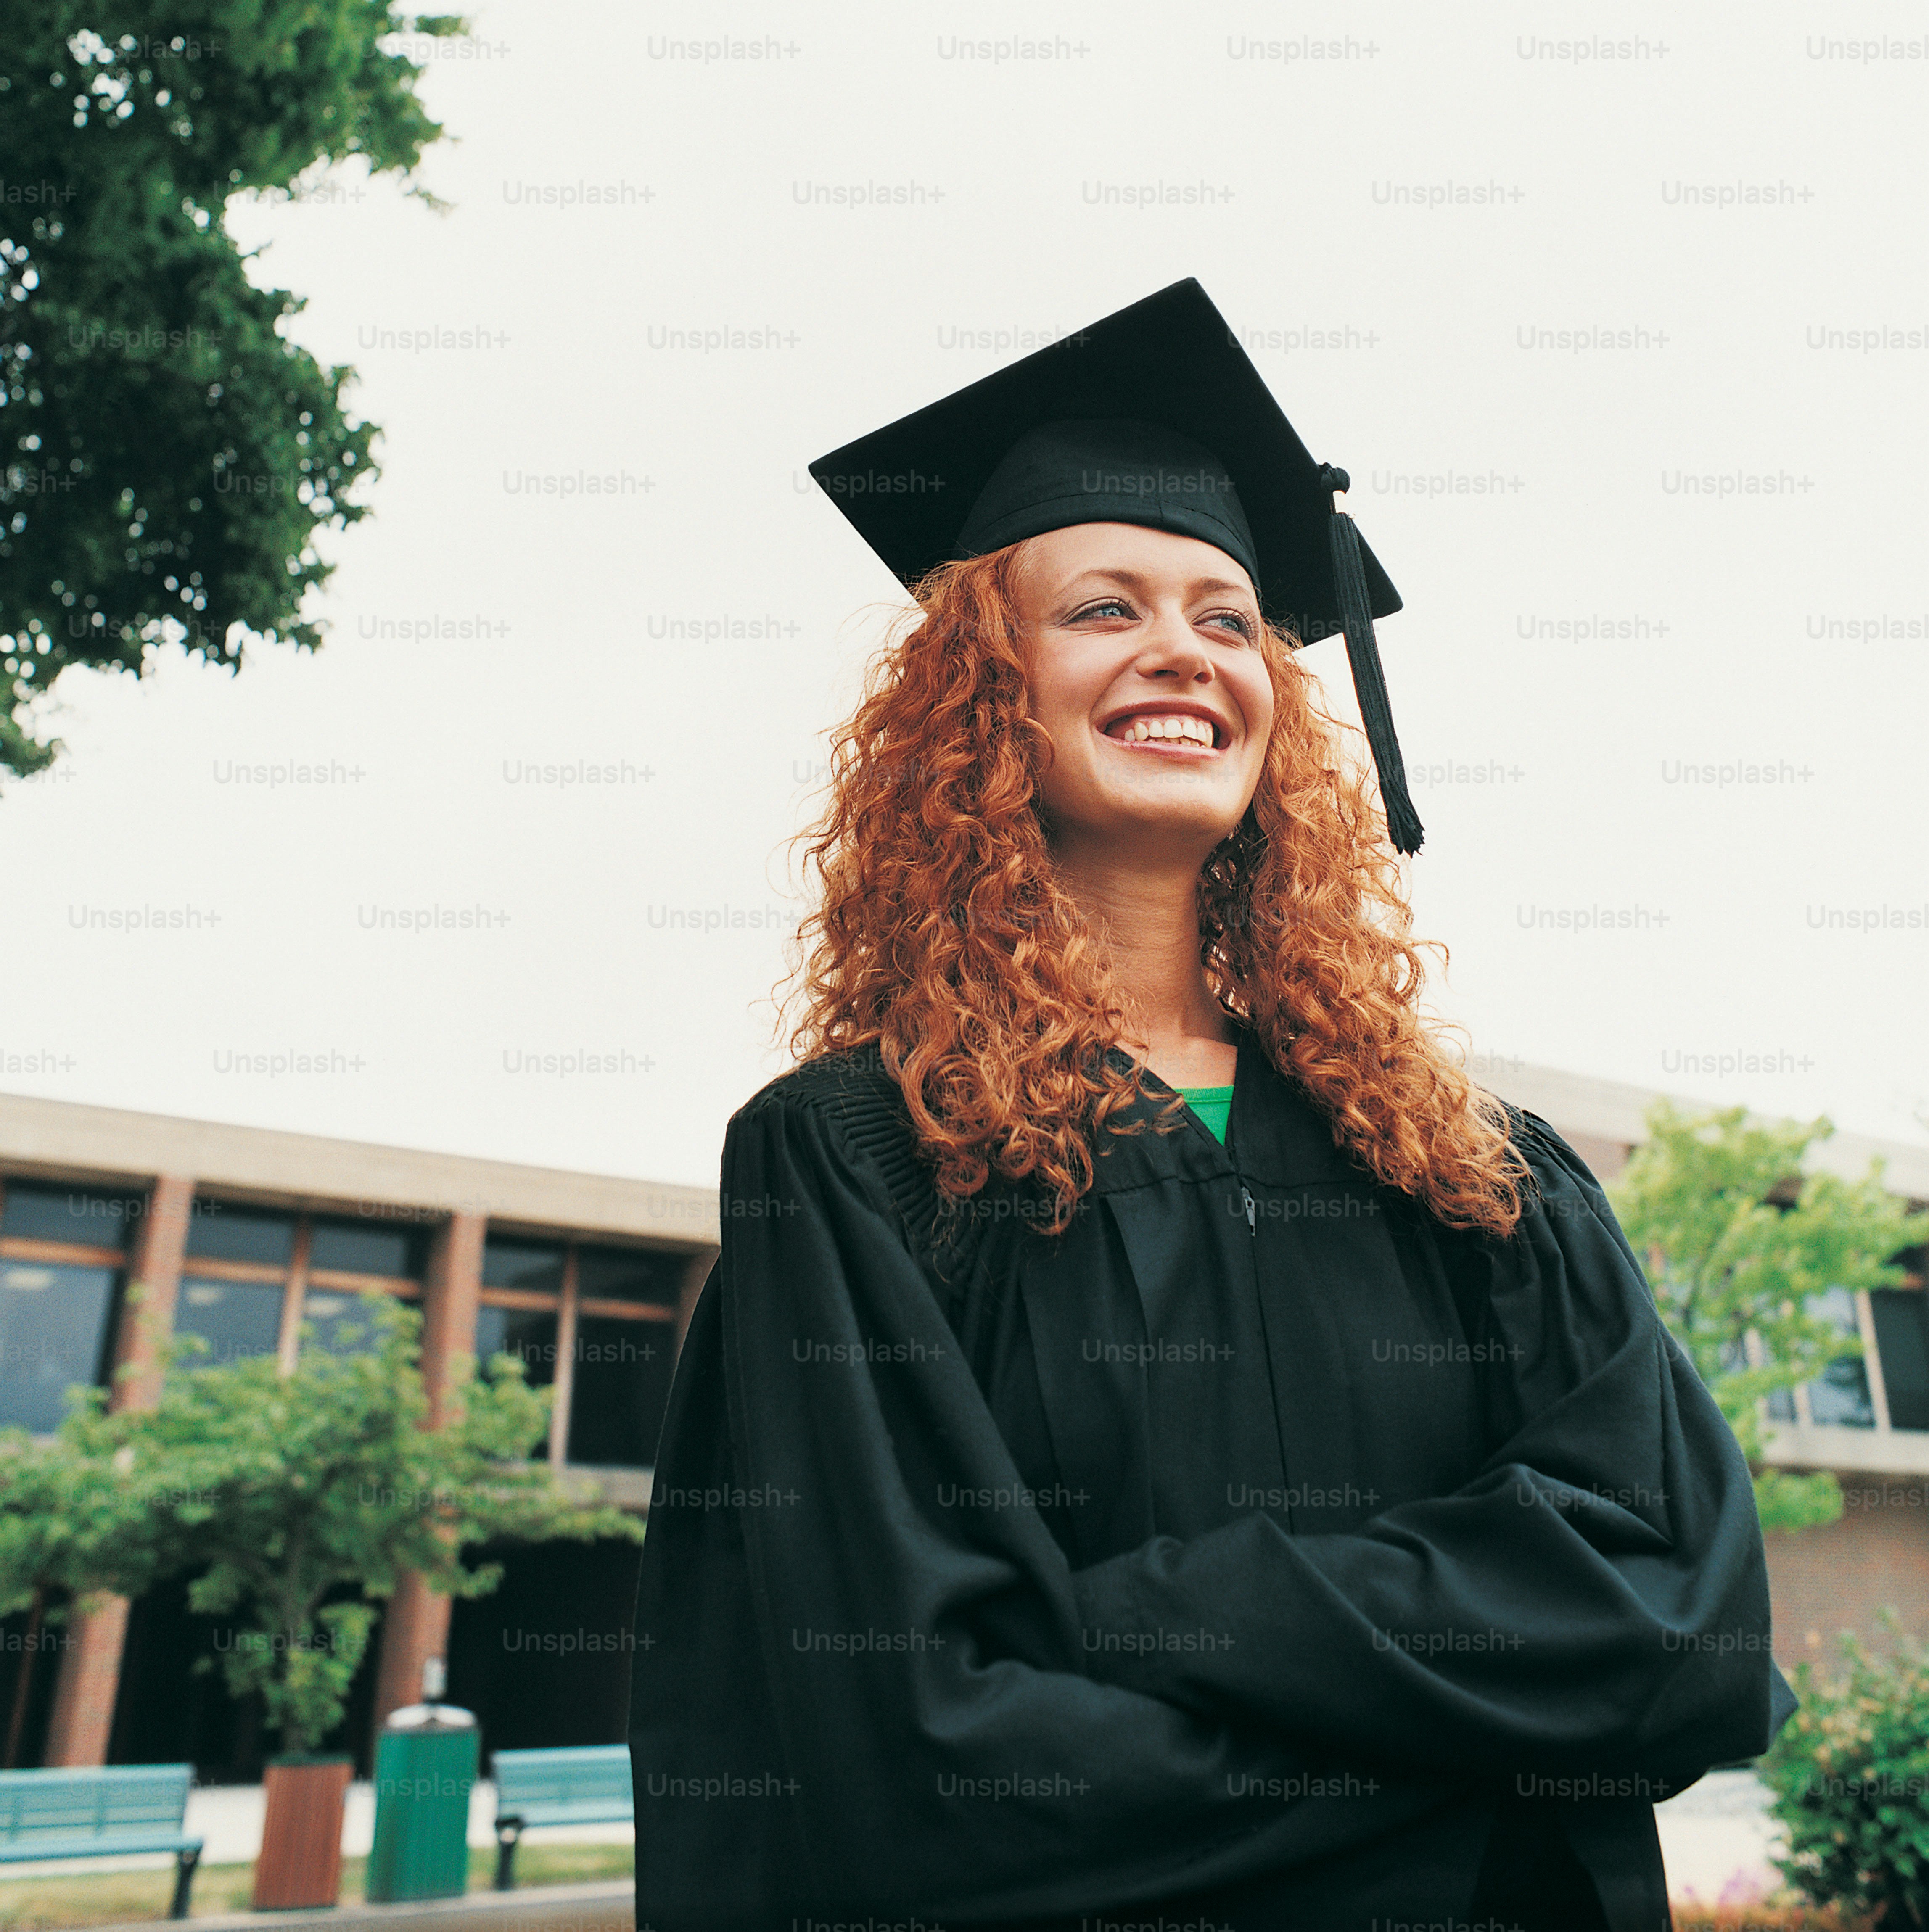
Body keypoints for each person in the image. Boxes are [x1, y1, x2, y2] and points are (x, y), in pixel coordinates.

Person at [627, 279, 1795, 1932]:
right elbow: (908, 1769)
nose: (1181, 649)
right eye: (1103, 609)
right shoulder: (860, 1160)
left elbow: (1685, 1636)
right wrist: (1472, 1757)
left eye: (1228, 617)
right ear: (985, 689)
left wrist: (1124, 1622)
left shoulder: (1477, 1174)